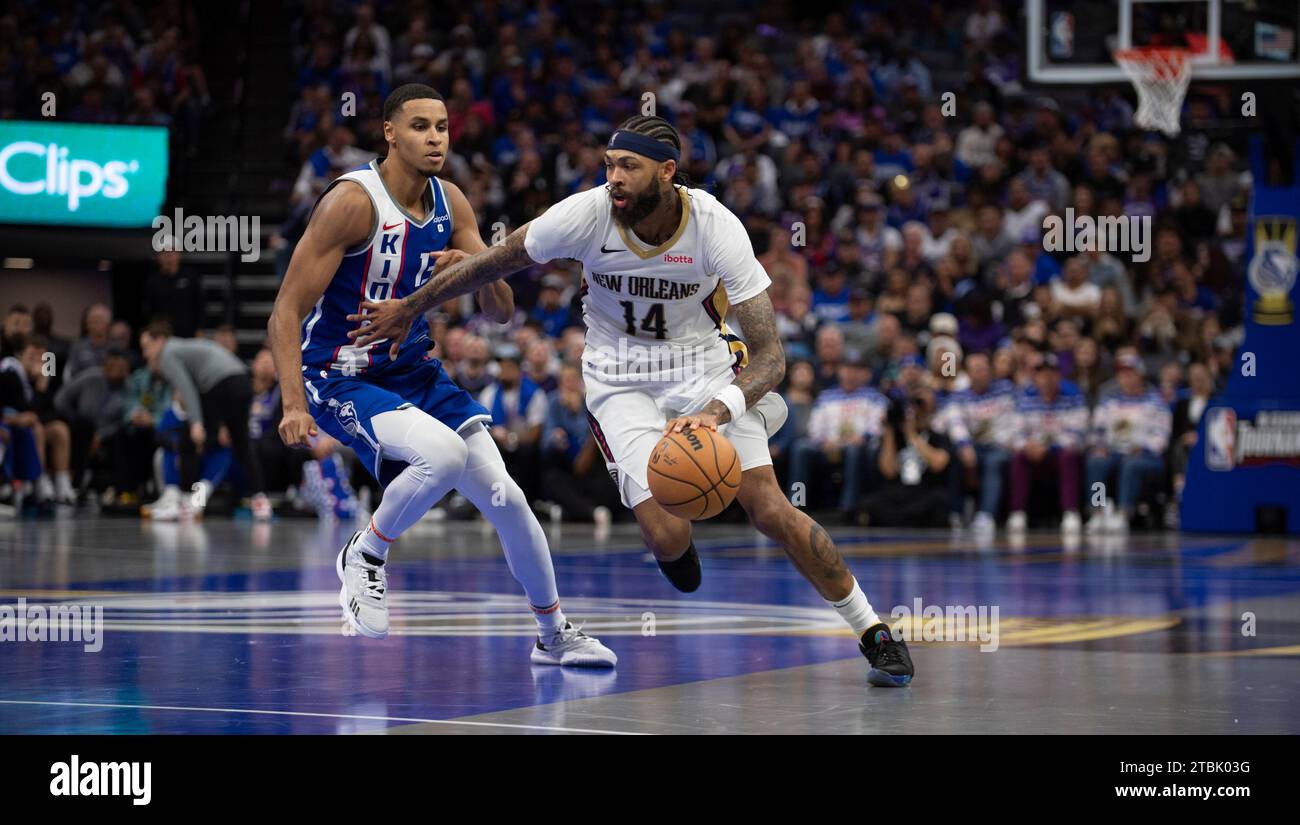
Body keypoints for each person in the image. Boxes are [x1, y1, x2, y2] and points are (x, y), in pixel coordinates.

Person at [350, 114, 915, 686]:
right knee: (668, 535)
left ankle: (874, 632)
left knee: (768, 507)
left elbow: (771, 358)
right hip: (619, 380)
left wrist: (715, 412)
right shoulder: (586, 213)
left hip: (703, 370)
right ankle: (677, 546)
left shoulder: (716, 225)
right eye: (610, 164)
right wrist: (410, 306)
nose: (614, 177)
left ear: (667, 172)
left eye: (629, 166)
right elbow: (498, 262)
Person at [266, 83, 614, 667]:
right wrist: (293, 405)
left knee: (509, 500)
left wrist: (476, 270)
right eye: (421, 127)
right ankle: (367, 550)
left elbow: (501, 311)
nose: (435, 138)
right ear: (390, 133)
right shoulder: (352, 203)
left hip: (415, 372)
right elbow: (284, 310)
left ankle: (553, 635)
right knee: (444, 456)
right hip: (340, 372)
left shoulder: (453, 201)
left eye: (443, 128)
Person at [139, 321, 272, 520]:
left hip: (220, 385)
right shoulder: (184, 347)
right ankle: (260, 499)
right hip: (242, 382)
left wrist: (196, 423)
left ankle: (185, 500)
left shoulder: (168, 353)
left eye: (147, 346)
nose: (145, 353)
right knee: (241, 441)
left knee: (188, 438)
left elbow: (187, 390)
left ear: (160, 340)